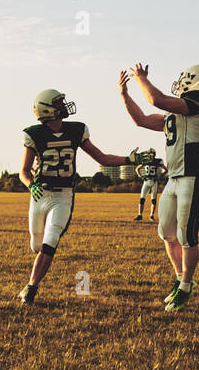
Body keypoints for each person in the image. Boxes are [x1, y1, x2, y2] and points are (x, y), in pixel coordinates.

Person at [18, 88, 139, 305]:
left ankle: (31, 287)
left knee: (51, 240)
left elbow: (101, 157)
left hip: (63, 195)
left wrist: (129, 159)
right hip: (39, 194)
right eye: (58, 103)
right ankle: (37, 267)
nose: (64, 106)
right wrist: (30, 185)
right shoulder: (34, 134)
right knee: (36, 245)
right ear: (47, 109)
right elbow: (24, 171)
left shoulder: (76, 130)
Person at [119, 62, 199, 312]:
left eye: (186, 77)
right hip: (174, 179)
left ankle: (186, 287)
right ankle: (180, 277)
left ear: (196, 81)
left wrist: (141, 79)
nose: (181, 81)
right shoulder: (177, 115)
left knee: (187, 236)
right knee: (166, 232)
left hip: (195, 177)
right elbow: (140, 120)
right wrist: (124, 95)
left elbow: (157, 99)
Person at [133, 149, 166, 222]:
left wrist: (160, 176)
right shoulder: (145, 161)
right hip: (146, 181)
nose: (151, 155)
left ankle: (151, 215)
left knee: (153, 200)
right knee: (142, 199)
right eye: (149, 154)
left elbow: (166, 169)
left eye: (151, 154)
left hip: (154, 182)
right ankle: (140, 215)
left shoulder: (158, 161)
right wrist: (141, 176)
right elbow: (137, 169)